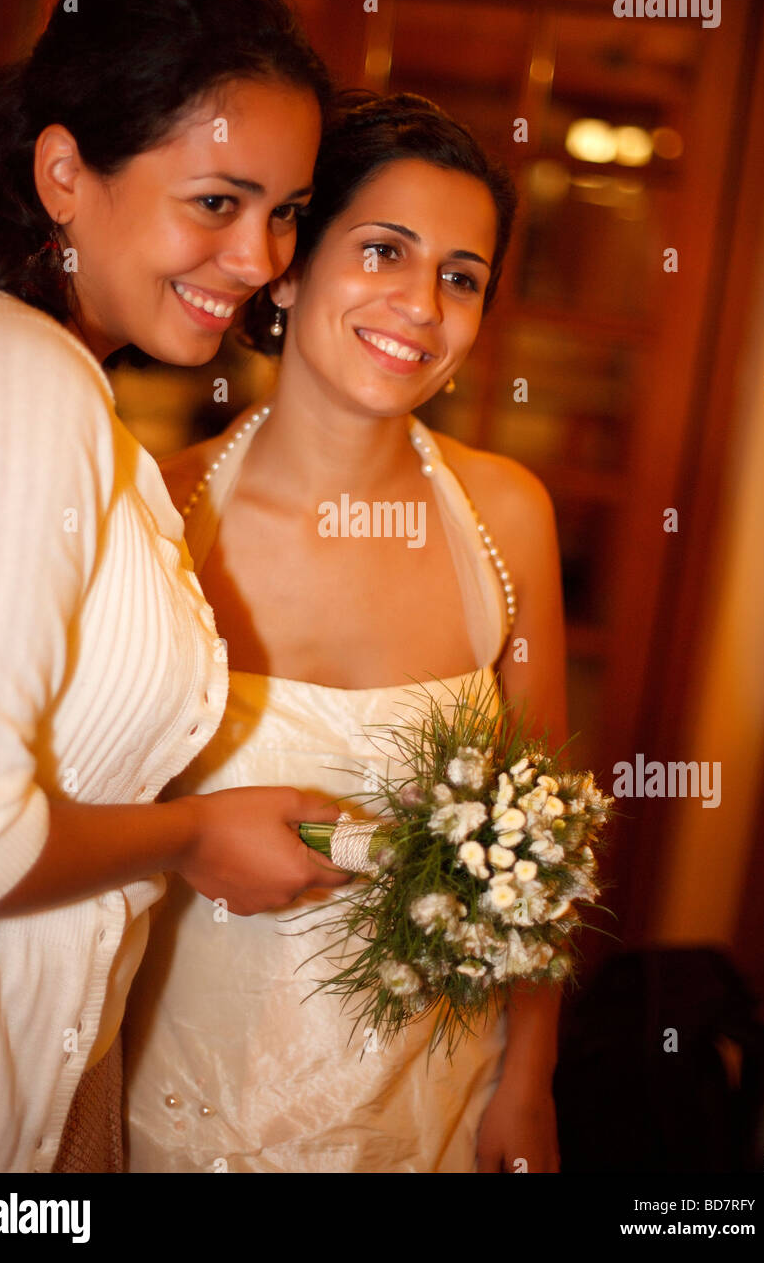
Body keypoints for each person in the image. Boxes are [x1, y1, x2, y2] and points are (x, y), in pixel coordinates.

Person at [0, 0, 348, 1175]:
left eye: (284, 212)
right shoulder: (15, 373)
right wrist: (188, 834)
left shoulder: (33, 376)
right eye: (216, 202)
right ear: (65, 172)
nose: (262, 257)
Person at [124, 92, 567, 1173]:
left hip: (426, 1105)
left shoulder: (505, 514)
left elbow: (542, 842)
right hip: (179, 1098)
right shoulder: (152, 514)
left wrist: (527, 1082)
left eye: (459, 277)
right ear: (287, 267)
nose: (419, 303)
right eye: (381, 251)